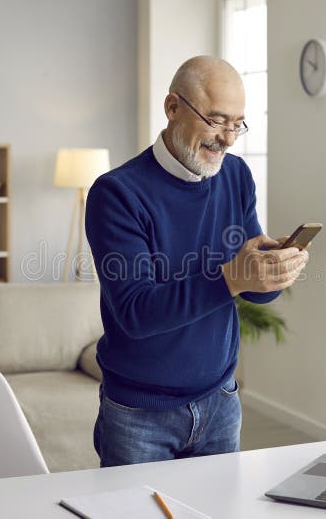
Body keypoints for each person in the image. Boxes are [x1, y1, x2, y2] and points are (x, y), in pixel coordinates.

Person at [84, 55, 308, 467]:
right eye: (216, 120)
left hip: (220, 402)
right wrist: (232, 278)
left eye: (237, 124)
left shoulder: (236, 175)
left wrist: (270, 274)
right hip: (139, 416)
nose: (227, 138)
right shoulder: (116, 194)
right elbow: (136, 312)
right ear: (172, 108)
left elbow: (251, 293)